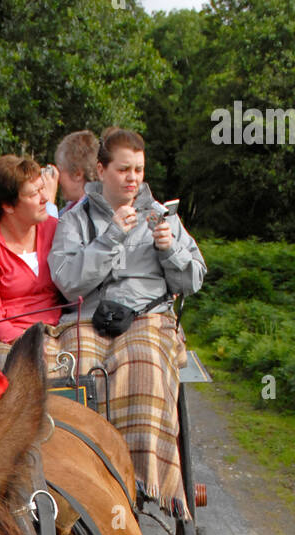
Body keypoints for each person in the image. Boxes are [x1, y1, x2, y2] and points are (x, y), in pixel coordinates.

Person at [48, 127, 207, 513]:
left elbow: (193, 280)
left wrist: (170, 252)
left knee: (142, 364)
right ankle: (77, 475)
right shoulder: (75, 222)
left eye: (138, 169)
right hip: (87, 317)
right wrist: (110, 238)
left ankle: (140, 481)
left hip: (146, 317)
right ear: (101, 170)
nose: (133, 178)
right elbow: (68, 283)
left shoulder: (163, 217)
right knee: (74, 373)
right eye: (123, 170)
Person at [0, 155, 66, 368]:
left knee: (90, 367)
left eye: (42, 189)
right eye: (33, 194)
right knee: (14, 369)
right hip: (3, 334)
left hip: (56, 327)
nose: (44, 199)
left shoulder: (54, 228)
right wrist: (23, 340)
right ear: (8, 206)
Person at [54, 129, 98, 210]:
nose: (58, 179)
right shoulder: (72, 207)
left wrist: (48, 200)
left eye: (60, 171)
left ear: (77, 174)